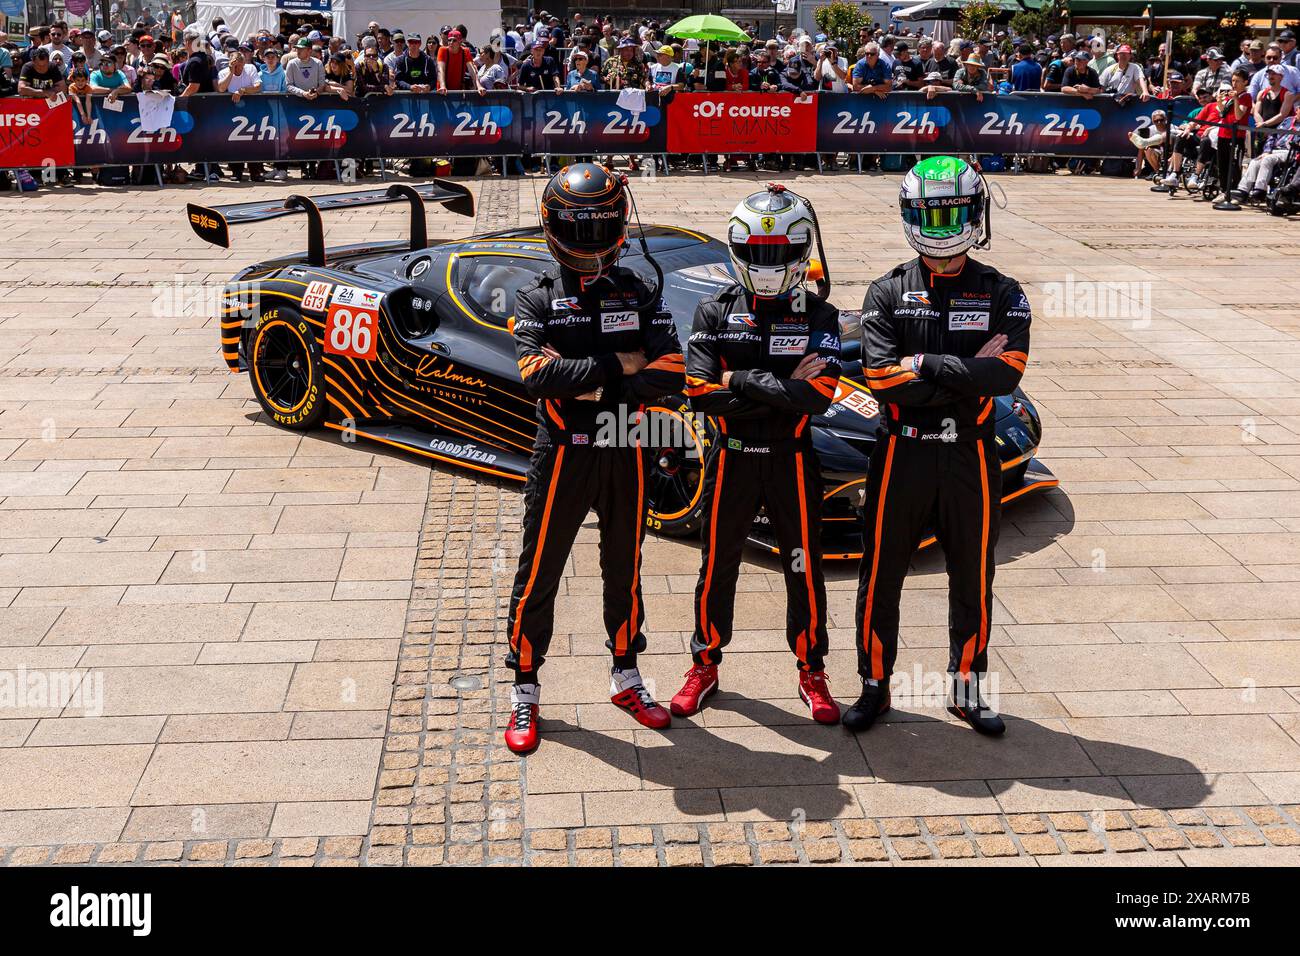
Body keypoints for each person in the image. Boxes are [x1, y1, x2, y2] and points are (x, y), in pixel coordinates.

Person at [845, 156, 1031, 736]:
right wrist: (967, 368)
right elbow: (881, 379)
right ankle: (875, 685)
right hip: (901, 452)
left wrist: (924, 362)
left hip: (970, 456)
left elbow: (1007, 376)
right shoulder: (886, 292)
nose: (943, 224)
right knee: (881, 574)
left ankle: (967, 688)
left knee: (973, 574)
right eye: (932, 212)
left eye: (952, 212)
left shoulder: (1004, 291)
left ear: (973, 214)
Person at [505, 164, 685, 755]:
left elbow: (672, 376)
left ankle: (626, 674)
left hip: (625, 448)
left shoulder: (637, 290)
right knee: (539, 574)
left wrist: (586, 380)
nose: (588, 237)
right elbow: (537, 376)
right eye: (577, 224)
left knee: (624, 570)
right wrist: (620, 364)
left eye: (598, 223)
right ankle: (525, 687)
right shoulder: (536, 295)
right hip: (561, 454)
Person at [670, 186, 842, 724]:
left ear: (801, 251)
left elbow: (817, 398)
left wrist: (738, 378)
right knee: (717, 565)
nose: (768, 265)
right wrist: (778, 384)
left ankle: (812, 669)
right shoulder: (713, 309)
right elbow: (698, 391)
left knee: (804, 568)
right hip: (733, 457)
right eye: (758, 253)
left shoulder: (822, 314)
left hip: (792, 457)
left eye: (779, 254)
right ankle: (703, 665)